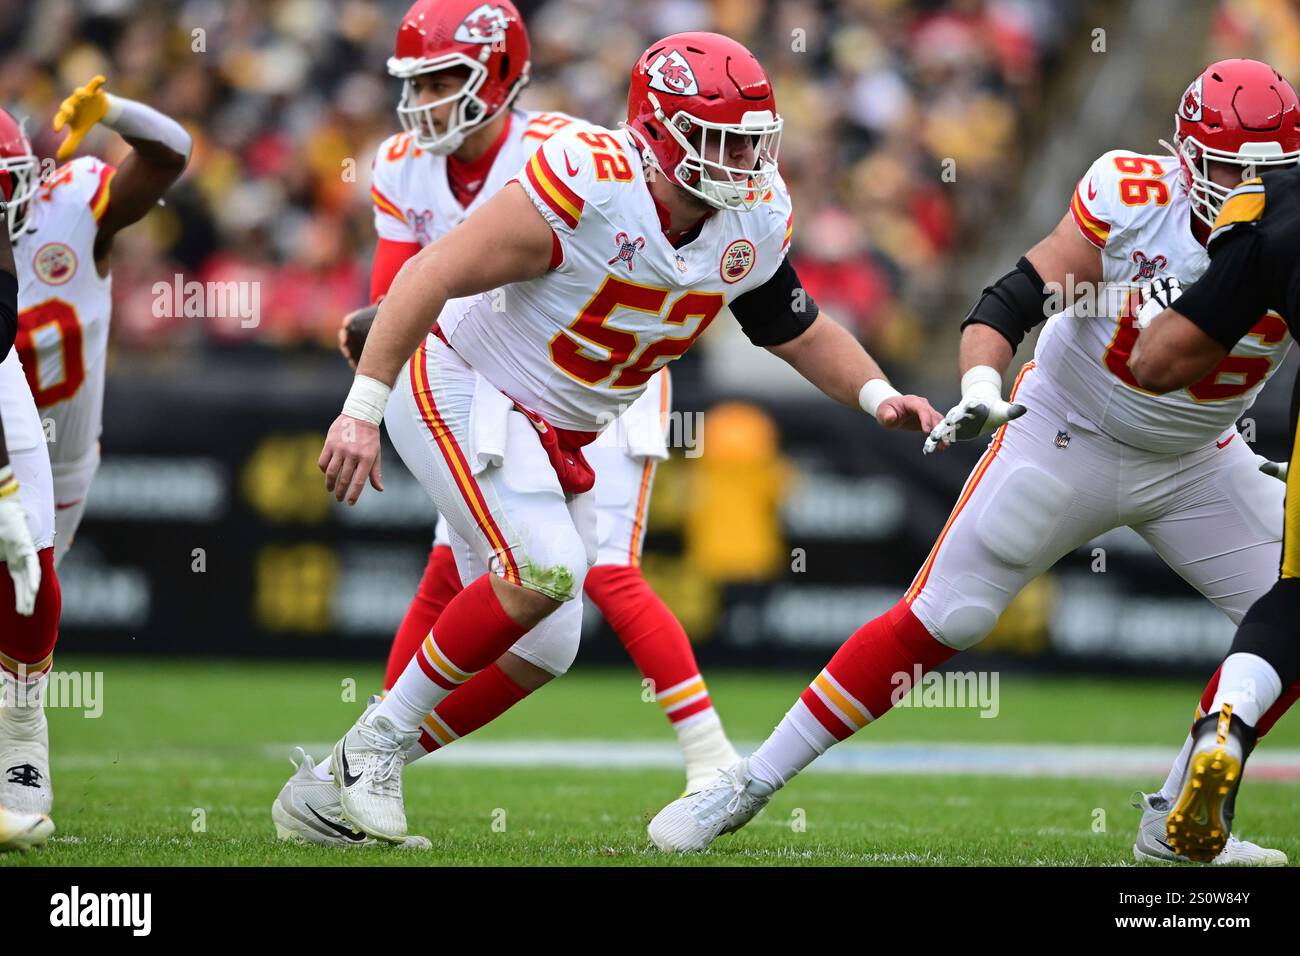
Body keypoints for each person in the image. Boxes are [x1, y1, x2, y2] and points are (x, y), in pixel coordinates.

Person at [648, 59, 1297, 863]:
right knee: (945, 616)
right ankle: (747, 780)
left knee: (1293, 622)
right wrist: (983, 383)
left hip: (1202, 457)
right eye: (1230, 165)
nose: (1245, 186)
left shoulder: (1290, 228)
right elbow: (1015, 296)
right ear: (1187, 154)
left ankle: (1176, 824)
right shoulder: (1133, 197)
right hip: (1070, 430)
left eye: (1265, 170)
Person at [315, 30, 941, 843]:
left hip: (557, 423)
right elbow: (429, 274)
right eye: (721, 139)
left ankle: (336, 782)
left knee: (548, 644)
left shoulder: (749, 213)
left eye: (753, 140)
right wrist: (360, 411)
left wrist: (877, 392)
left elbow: (794, 325)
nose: (744, 159)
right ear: (654, 130)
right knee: (545, 568)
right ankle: (371, 751)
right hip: (463, 378)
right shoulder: (587, 183)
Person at [1131, 159, 1300, 861]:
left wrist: (1171, 302)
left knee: (1294, 604)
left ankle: (1226, 725)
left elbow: (1157, 363)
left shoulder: (1277, 204)